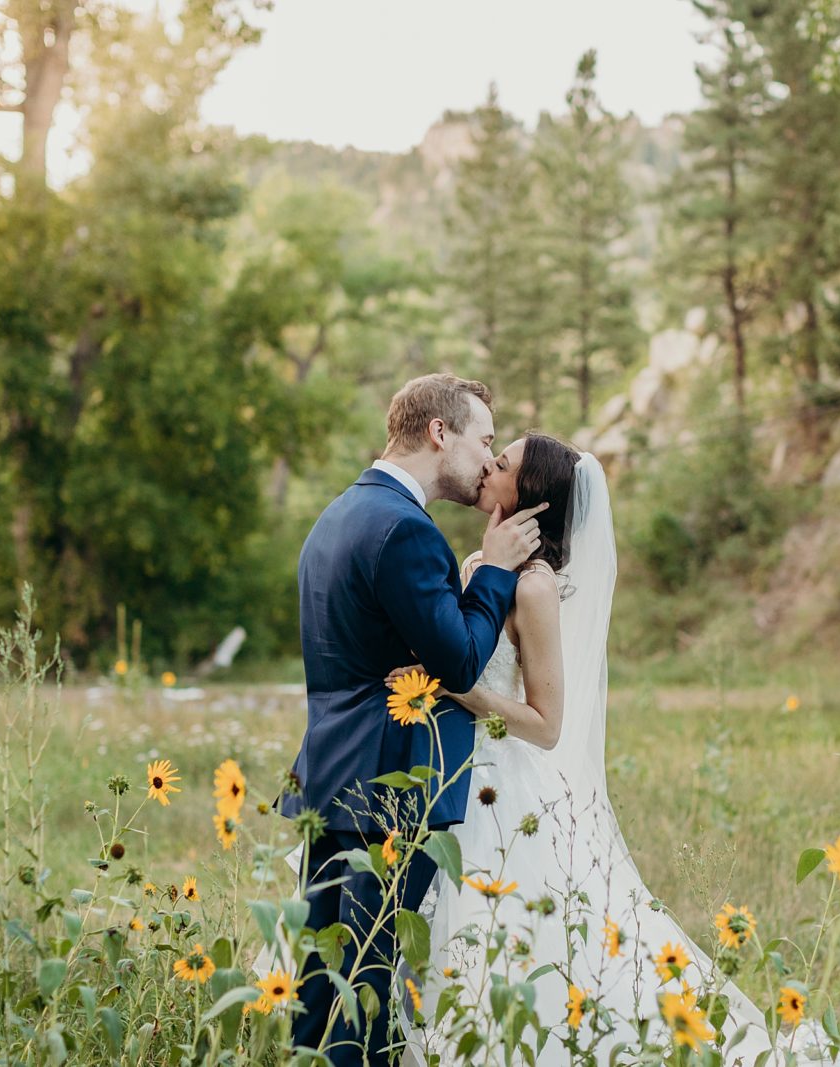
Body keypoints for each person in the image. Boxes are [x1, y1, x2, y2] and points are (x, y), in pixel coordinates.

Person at [399, 433, 840, 1065]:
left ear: (529, 495)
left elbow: (546, 724)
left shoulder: (535, 588)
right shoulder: (479, 565)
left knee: (522, 930)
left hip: (507, 780)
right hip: (457, 769)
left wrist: (458, 692)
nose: (488, 466)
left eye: (502, 464)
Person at [278, 374, 548, 1067]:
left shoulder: (338, 514)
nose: (489, 461)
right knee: (371, 980)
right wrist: (492, 569)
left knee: (320, 976)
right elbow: (458, 662)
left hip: (330, 775)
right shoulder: (406, 530)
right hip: (395, 785)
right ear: (439, 433)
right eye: (483, 440)